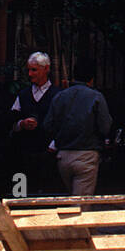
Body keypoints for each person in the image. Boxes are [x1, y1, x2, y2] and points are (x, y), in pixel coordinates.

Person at [42, 55, 112, 197]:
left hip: (63, 156)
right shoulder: (96, 97)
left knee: (69, 201)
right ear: (92, 78)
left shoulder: (60, 97)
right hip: (86, 155)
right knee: (80, 207)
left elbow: (48, 125)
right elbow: (105, 127)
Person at [9, 52, 59, 193]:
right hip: (23, 155)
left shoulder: (58, 95)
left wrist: (53, 146)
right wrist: (21, 124)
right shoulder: (22, 94)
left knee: (46, 196)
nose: (30, 74)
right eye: (29, 70)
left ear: (46, 69)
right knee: (20, 194)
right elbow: (11, 119)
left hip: (48, 155)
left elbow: (63, 123)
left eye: (34, 70)